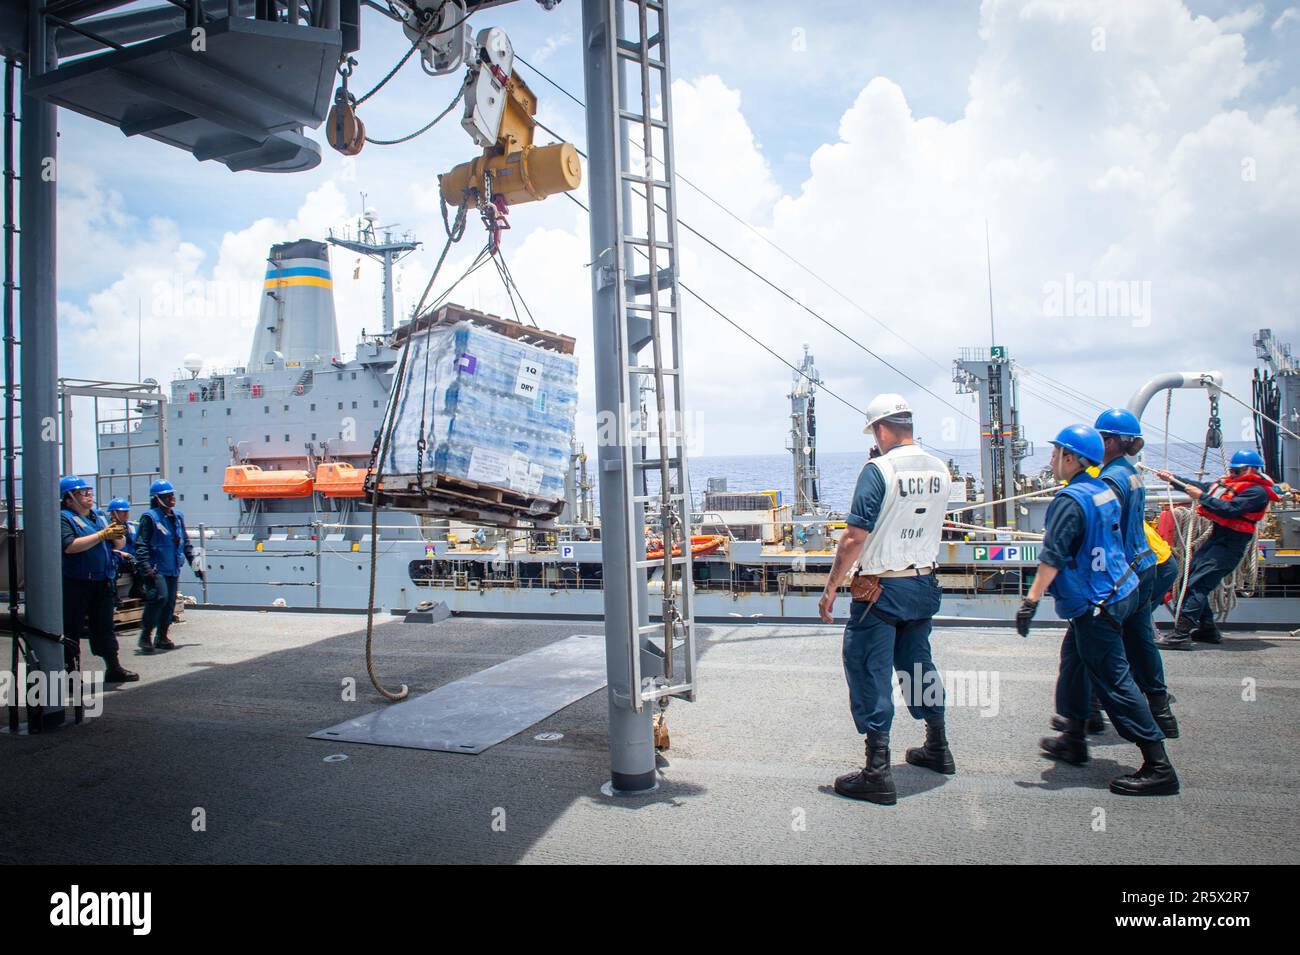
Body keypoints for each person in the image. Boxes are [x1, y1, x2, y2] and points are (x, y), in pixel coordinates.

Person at [1017, 425, 1177, 796]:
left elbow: (1052, 558)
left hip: (1096, 603)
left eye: (1056, 454)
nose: (1052, 460)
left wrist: (1030, 602)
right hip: (1120, 589)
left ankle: (1158, 765)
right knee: (1074, 661)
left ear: (1071, 458)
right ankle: (1073, 736)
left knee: (1115, 681)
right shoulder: (1103, 489)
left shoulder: (1070, 501)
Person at [819, 394, 952, 805]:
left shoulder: (878, 470)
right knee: (917, 665)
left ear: (880, 429)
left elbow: (854, 537)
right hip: (923, 583)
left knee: (867, 667)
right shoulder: (941, 468)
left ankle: (877, 772)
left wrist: (830, 588)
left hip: (881, 589)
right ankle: (937, 746)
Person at [1089, 409, 1178, 738]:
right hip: (1145, 567)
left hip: (1122, 575)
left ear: (1110, 442)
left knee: (1098, 646)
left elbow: (1103, 532)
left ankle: (1096, 713)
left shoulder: (1109, 480)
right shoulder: (1130, 472)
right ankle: (1162, 713)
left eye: (1100, 438)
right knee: (1142, 644)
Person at [1153, 449, 1280, 650]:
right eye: (1232, 470)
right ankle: (1208, 629)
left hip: (1230, 545)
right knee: (1194, 577)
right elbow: (1203, 487)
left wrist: (1202, 497)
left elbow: (1229, 509)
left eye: (1237, 471)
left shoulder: (1257, 492)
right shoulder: (1230, 485)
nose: (1233, 474)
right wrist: (1173, 479)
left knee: (1197, 584)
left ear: (1252, 470)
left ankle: (1180, 635)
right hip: (1218, 540)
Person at [59, 476, 138, 683]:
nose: (89, 496)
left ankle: (113, 666)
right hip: (76, 582)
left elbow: (118, 545)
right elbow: (70, 546)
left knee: (105, 627)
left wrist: (116, 534)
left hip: (102, 581)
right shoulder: (64, 518)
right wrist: (103, 535)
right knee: (72, 628)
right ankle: (70, 673)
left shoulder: (99, 517)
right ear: (68, 499)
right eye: (82, 493)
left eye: (89, 492)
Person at [134, 479, 204, 653]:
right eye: (167, 495)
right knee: (159, 597)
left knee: (169, 602)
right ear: (157, 498)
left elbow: (186, 543)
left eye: (172, 494)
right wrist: (146, 567)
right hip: (156, 568)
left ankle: (162, 636)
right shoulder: (149, 518)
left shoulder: (178, 517)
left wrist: (197, 566)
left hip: (172, 566)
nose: (172, 498)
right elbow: (141, 544)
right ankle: (145, 636)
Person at [104, 497, 137, 600]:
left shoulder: (130, 527)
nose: (126, 514)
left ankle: (137, 590)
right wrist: (123, 554)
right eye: (123, 512)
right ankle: (113, 597)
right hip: (117, 559)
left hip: (130, 559)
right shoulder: (107, 528)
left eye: (127, 511)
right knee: (113, 565)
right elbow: (107, 548)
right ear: (113, 513)